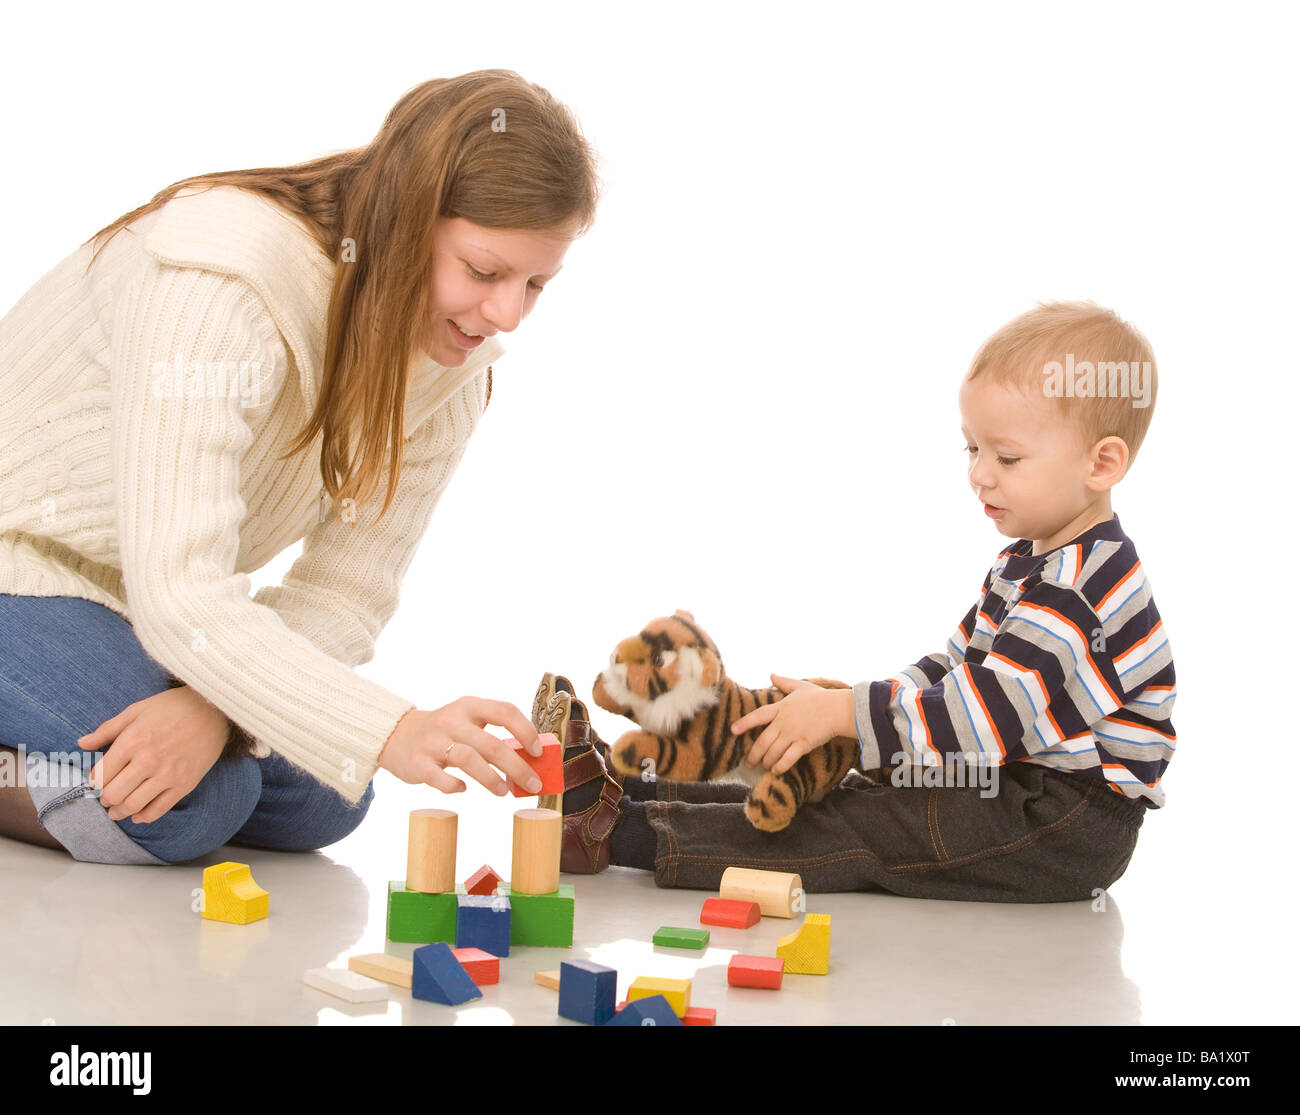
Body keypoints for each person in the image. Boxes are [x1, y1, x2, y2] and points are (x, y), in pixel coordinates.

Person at [0, 69, 603, 865]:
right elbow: (179, 587)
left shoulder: (455, 371)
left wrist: (215, 710)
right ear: (403, 217)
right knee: (190, 805)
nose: (506, 316)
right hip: (22, 564)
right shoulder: (222, 282)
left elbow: (344, 592)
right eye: (484, 272)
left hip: (132, 605)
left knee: (328, 793)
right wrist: (392, 727)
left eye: (536, 285)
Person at [552, 301, 1176, 902]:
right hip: (1015, 783)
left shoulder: (1079, 588)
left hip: (1064, 823)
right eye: (972, 449)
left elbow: (985, 720)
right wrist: (847, 713)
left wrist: (853, 715)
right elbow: (956, 669)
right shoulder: (1029, 560)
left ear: (1102, 464)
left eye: (1006, 457)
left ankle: (618, 831)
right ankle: (629, 789)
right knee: (835, 791)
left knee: (859, 827)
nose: (979, 474)